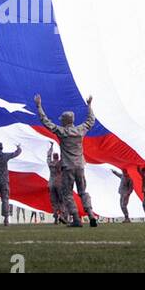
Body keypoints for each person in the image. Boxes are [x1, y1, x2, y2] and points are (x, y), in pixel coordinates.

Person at [35, 91, 99, 227]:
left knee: (67, 193)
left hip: (68, 167)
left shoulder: (62, 132)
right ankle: (91, 214)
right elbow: (91, 120)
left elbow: (46, 122)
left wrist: (39, 106)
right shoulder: (80, 130)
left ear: (64, 121)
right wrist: (89, 106)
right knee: (83, 191)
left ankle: (76, 218)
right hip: (80, 165)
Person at [46, 143, 65, 224]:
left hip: (51, 183)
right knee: (61, 201)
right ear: (58, 157)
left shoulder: (50, 163)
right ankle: (62, 215)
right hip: (59, 183)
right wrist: (61, 146)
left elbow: (48, 157)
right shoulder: (60, 163)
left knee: (54, 202)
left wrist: (51, 147)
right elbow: (64, 156)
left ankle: (56, 217)